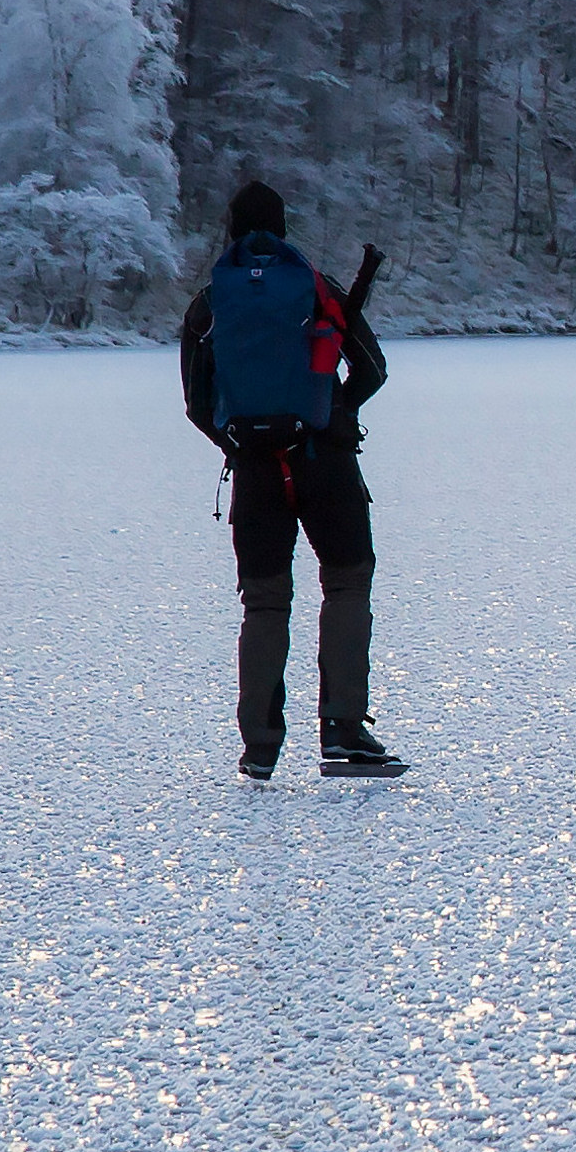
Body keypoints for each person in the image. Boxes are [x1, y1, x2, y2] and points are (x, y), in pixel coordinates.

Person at [180, 179, 399, 782]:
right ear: (284, 226)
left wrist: (240, 445)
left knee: (265, 603)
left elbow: (197, 404)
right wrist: (333, 412)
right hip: (325, 464)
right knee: (348, 585)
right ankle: (344, 733)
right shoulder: (315, 288)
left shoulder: (211, 303)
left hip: (254, 472)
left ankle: (260, 747)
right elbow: (373, 369)